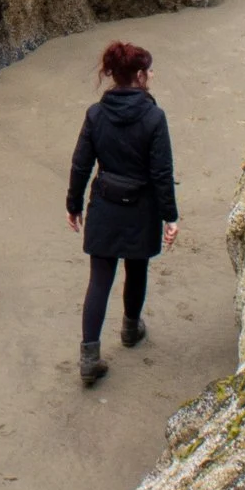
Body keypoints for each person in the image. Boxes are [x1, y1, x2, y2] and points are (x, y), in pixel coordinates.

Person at [65, 39, 179, 387]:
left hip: (104, 205)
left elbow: (81, 163)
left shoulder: (96, 114)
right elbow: (161, 172)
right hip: (140, 208)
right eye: (149, 70)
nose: (152, 74)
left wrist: (73, 204)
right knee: (137, 267)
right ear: (141, 75)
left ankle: (89, 357)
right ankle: (131, 329)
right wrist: (170, 217)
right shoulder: (154, 116)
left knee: (99, 279)